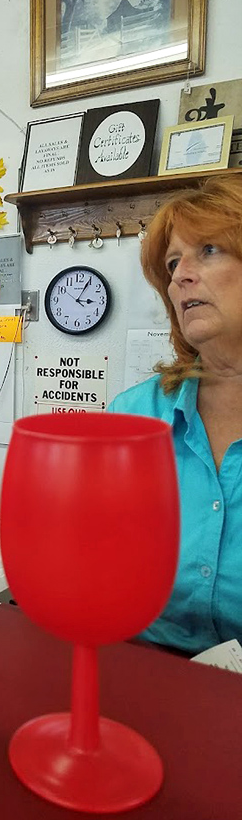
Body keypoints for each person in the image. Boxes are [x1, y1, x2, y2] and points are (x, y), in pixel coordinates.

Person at [108, 173, 242, 655]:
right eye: (171, 263)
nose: (179, 275)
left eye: (208, 250)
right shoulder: (131, 417)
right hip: (142, 670)